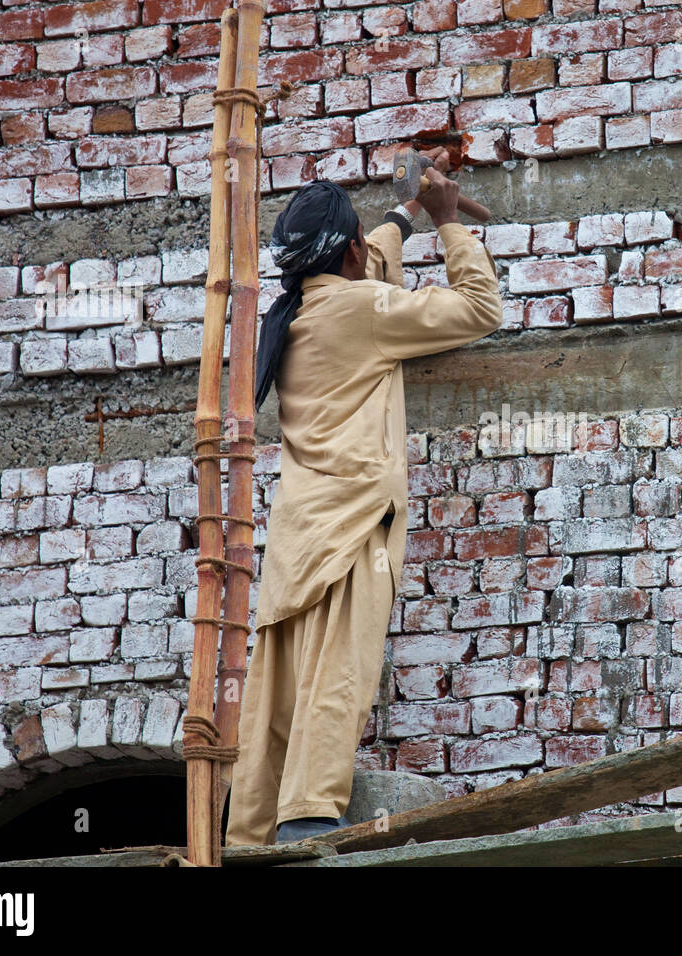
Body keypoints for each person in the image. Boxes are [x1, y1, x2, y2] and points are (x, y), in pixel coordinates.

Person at [225, 154, 502, 845]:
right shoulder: (362, 311)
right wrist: (447, 226)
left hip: (297, 534)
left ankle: (251, 833)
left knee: (278, 695)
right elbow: (479, 308)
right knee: (337, 671)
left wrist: (402, 213)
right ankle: (310, 815)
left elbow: (366, 264)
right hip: (353, 530)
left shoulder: (295, 314)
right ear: (348, 253)